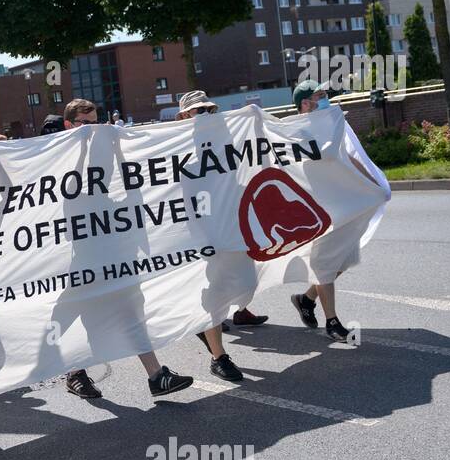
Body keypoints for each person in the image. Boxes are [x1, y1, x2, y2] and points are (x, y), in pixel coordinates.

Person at [59, 98, 194, 398]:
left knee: (132, 314)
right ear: (69, 125)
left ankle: (156, 376)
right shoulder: (60, 160)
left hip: (115, 256)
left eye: (95, 122)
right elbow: (70, 191)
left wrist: (119, 148)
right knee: (86, 323)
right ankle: (75, 373)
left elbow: (129, 189)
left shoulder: (103, 155)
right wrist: (81, 147)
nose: (91, 129)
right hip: (85, 260)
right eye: (83, 124)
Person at [174, 91, 268, 329]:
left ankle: (240, 310)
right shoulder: (179, 143)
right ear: (185, 115)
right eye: (200, 110)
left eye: (209, 110)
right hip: (205, 217)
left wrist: (253, 118)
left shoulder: (222, 132)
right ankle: (213, 318)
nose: (206, 114)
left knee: (246, 273)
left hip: (231, 211)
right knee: (216, 274)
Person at [288, 80, 354, 341]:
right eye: (320, 95)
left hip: (341, 203)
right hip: (316, 208)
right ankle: (332, 321)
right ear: (306, 104)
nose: (326, 99)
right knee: (326, 264)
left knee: (343, 260)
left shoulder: (331, 124)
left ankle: (306, 299)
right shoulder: (294, 131)